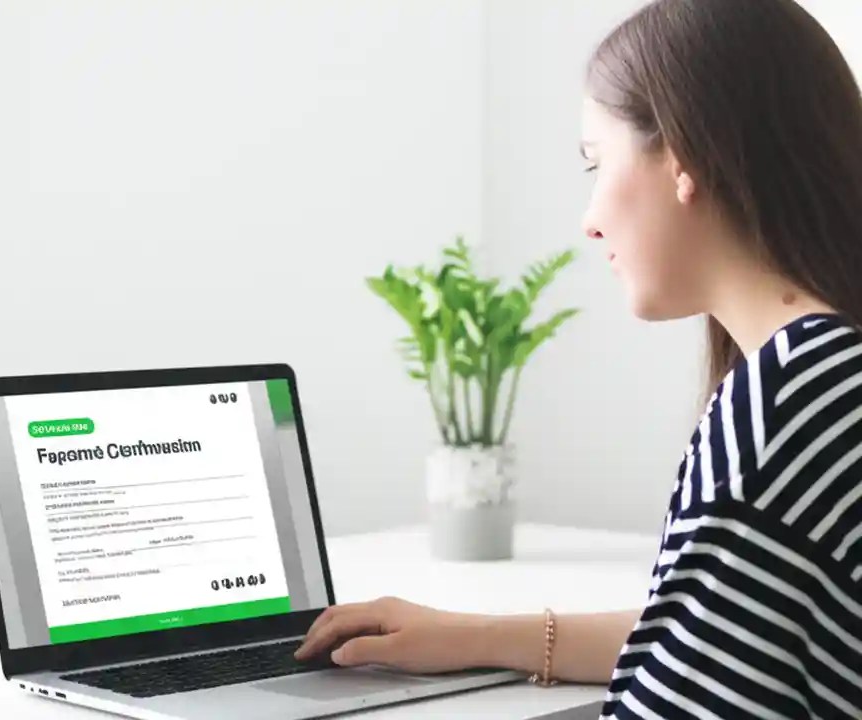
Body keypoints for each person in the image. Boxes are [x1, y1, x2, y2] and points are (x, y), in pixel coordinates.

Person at [295, 0, 862, 717]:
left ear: (683, 158)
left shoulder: (782, 407)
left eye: (598, 162)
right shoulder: (832, 375)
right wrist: (475, 635)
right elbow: (709, 636)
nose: (589, 219)